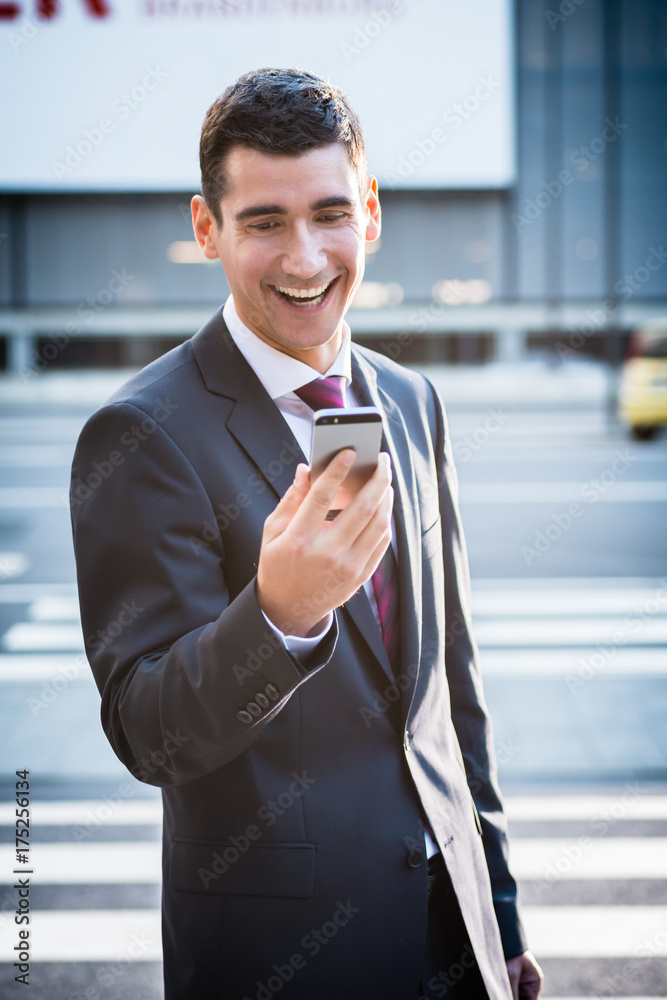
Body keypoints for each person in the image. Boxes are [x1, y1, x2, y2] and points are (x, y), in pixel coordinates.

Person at [70, 67, 543, 1000]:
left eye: (330, 214)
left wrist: (499, 917)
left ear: (369, 212)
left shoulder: (410, 398)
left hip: (453, 943)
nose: (304, 257)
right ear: (206, 229)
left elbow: (451, 694)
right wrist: (281, 615)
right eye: (262, 222)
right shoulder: (140, 435)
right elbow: (148, 734)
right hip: (285, 963)